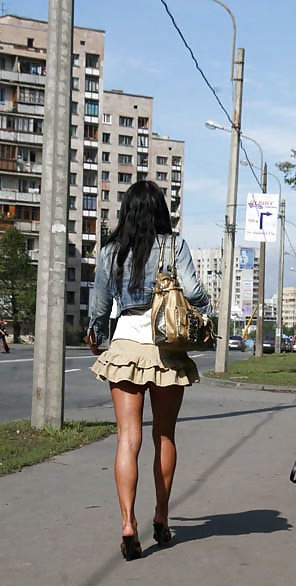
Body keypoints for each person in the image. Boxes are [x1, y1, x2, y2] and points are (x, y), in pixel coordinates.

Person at [88, 180, 211, 560]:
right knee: (164, 434)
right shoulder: (175, 247)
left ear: (126, 212)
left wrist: (97, 333)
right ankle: (161, 516)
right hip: (166, 349)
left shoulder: (110, 251)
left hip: (125, 345)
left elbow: (99, 306)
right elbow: (196, 294)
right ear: (160, 210)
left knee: (128, 437)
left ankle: (128, 524)